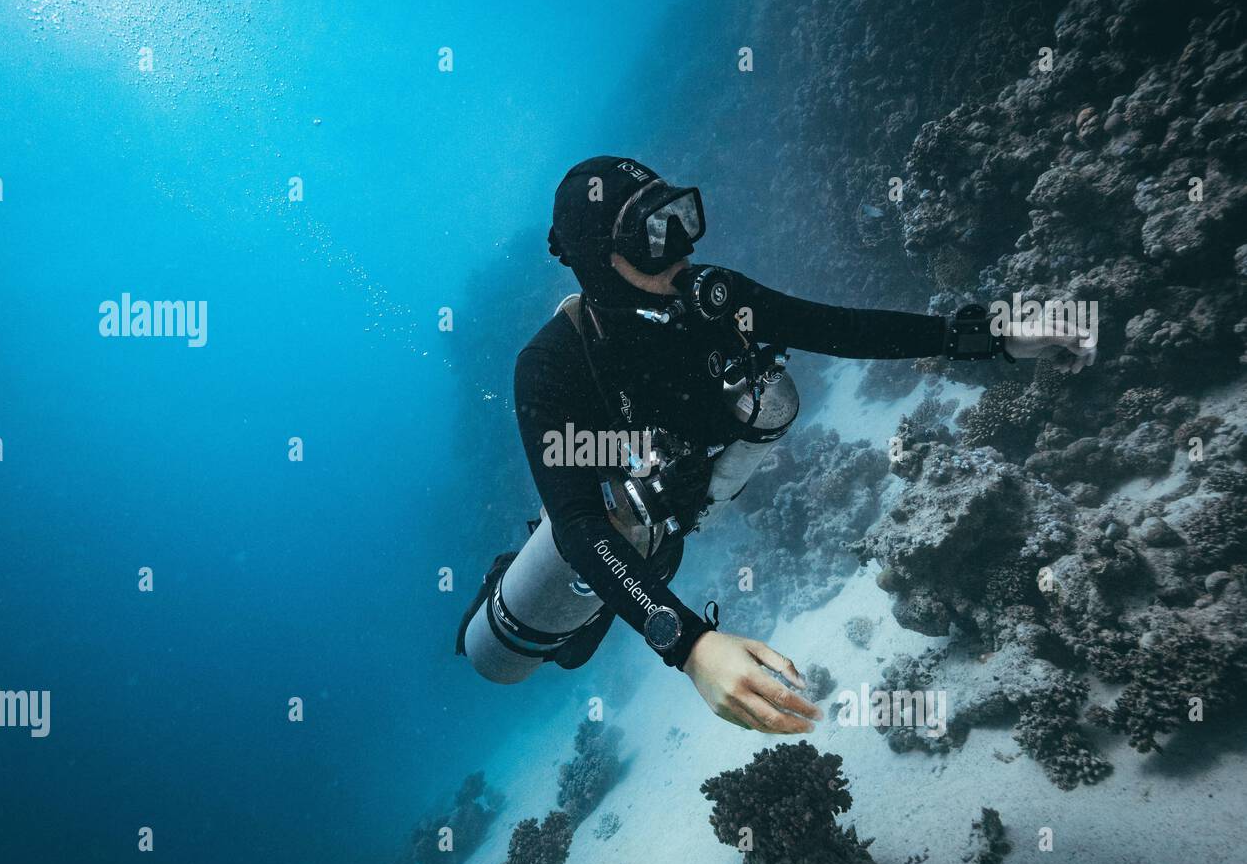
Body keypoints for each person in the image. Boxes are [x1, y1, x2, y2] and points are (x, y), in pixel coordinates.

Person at [456, 155, 1094, 735]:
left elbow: (839, 328)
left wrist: (994, 336)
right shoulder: (550, 365)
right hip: (607, 529)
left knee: (772, 398)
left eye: (681, 219)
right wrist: (691, 646)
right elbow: (575, 526)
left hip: (680, 504)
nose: (679, 247)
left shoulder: (715, 301)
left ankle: (633, 565)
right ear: (601, 260)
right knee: (561, 635)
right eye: (652, 236)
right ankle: (518, 604)